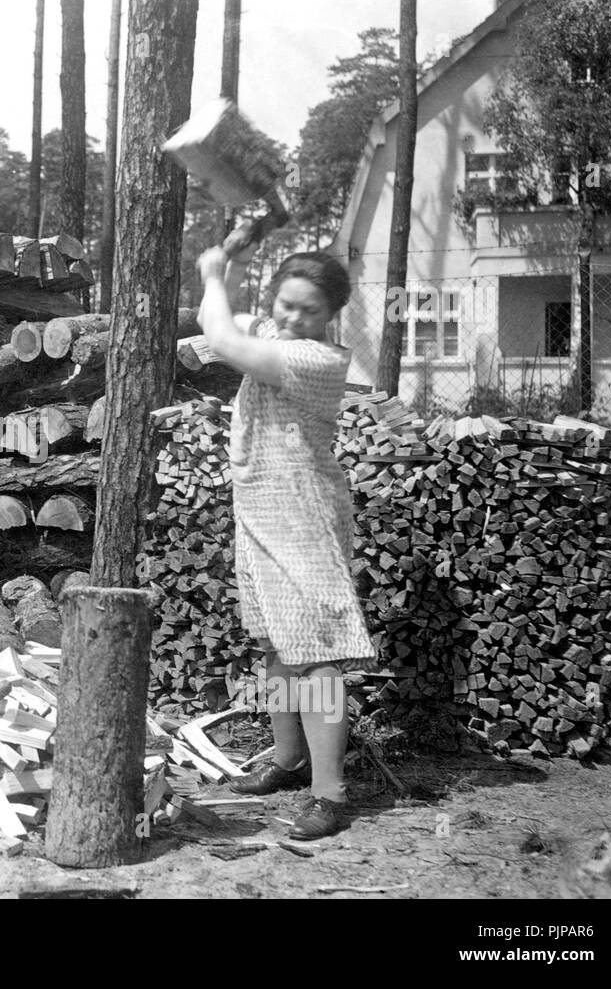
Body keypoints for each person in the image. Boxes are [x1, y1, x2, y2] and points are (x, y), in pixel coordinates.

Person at [196, 246, 376, 840]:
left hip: (303, 515)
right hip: (259, 508)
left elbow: (221, 339)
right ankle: (287, 760)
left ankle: (329, 793)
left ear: (330, 315)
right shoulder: (275, 332)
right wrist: (236, 256)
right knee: (277, 646)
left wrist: (214, 275)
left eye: (309, 309)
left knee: (315, 655)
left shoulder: (314, 358)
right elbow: (217, 323)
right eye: (285, 304)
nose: (294, 317)